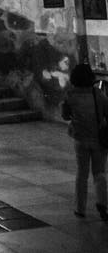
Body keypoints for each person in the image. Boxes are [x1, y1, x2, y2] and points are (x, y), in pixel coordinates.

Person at [61, 62, 108, 220]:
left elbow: (65, 115)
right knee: (99, 173)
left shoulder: (70, 95)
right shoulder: (98, 94)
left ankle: (80, 208)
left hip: (80, 139)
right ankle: (103, 203)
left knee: (82, 173)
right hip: (98, 139)